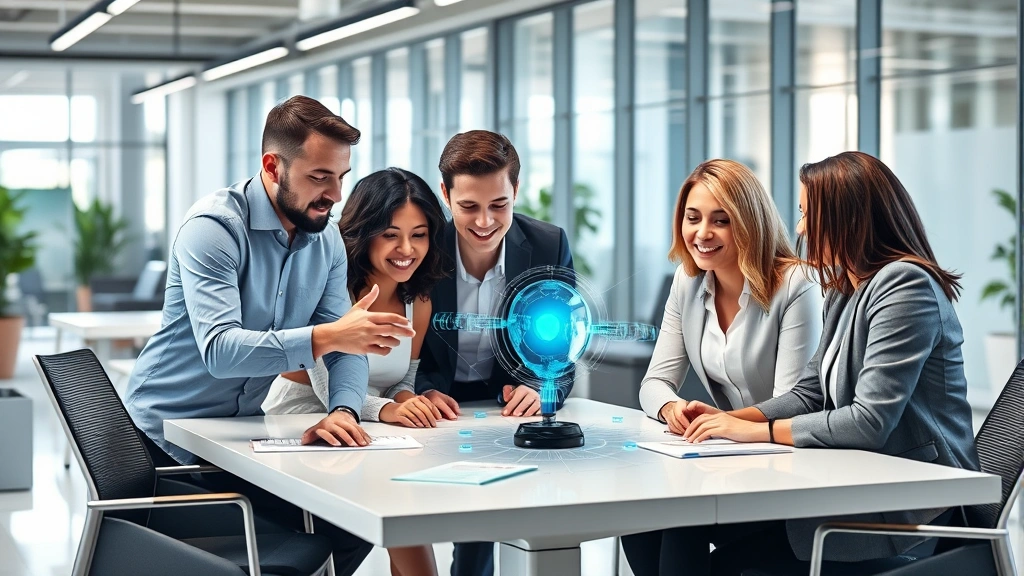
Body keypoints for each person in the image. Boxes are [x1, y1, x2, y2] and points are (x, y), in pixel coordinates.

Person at [125, 95, 415, 575]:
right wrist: (328, 336)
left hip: (233, 441)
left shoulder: (325, 241)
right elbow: (220, 351)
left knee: (350, 521)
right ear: (272, 166)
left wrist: (342, 410)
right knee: (318, 530)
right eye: (319, 178)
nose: (334, 195)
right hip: (161, 448)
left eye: (340, 178)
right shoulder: (213, 229)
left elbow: (347, 347)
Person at [678, 151, 980, 575]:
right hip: (861, 488)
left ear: (849, 219)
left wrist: (752, 431)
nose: (800, 227)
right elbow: (811, 393)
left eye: (809, 214)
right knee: (671, 529)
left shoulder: (905, 285)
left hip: (915, 508)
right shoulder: (845, 289)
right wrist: (723, 422)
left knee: (722, 562)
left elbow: (869, 421)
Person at [621, 158, 823, 576]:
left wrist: (725, 422)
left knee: (680, 521)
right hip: (731, 461)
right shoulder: (688, 281)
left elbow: (797, 402)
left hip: (787, 469)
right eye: (692, 218)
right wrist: (673, 409)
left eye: (721, 220)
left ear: (749, 223)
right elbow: (655, 382)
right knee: (636, 518)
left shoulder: (797, 286)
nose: (702, 233)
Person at [262, 167, 450, 576]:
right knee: (403, 503)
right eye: (390, 234)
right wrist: (387, 411)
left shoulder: (417, 301)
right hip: (301, 424)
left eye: (419, 234)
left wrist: (406, 401)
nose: (407, 248)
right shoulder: (332, 289)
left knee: (409, 500)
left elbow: (402, 376)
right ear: (365, 232)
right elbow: (330, 388)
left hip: (367, 433)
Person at [415, 130, 575, 576]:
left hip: (508, 409)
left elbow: (564, 347)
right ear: (445, 194)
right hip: (439, 409)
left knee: (498, 523)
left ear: (516, 191)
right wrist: (418, 390)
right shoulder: (422, 250)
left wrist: (540, 385)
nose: (485, 221)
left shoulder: (547, 245)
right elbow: (407, 349)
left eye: (498, 205)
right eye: (468, 206)